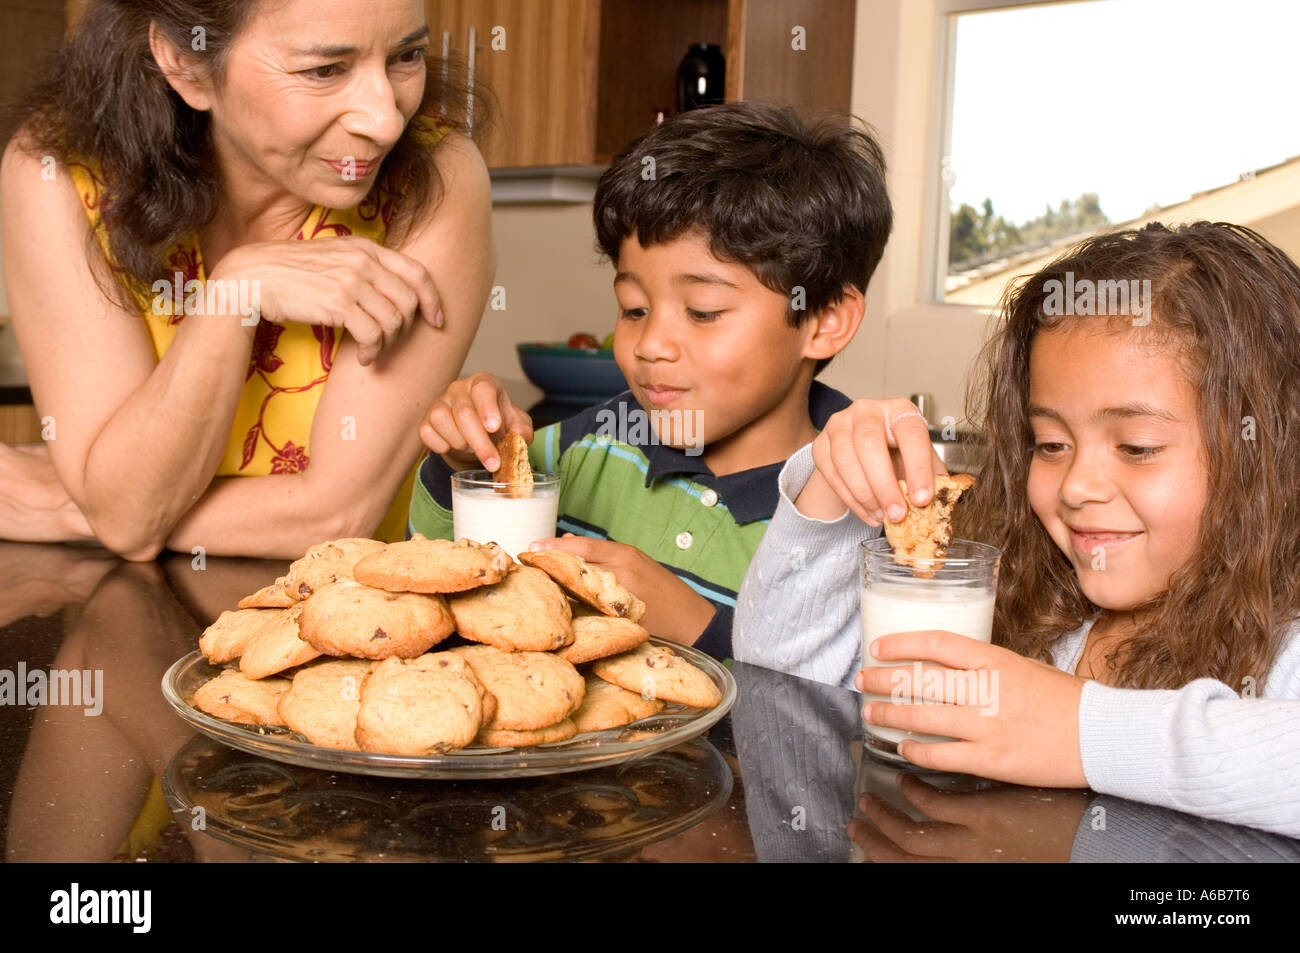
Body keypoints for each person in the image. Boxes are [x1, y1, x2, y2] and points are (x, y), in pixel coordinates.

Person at [733, 221, 1300, 838]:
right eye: (1051, 443)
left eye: (1137, 447)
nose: (1076, 485)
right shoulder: (1026, 618)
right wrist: (829, 490)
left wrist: (1078, 730)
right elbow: (781, 686)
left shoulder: (1282, 652)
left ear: (1269, 450)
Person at [0, 0, 494, 560]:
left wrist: (74, 508)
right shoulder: (60, 172)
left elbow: (333, 517)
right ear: (186, 65)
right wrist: (235, 294)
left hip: (359, 619)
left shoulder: (436, 175)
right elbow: (126, 509)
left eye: (406, 56)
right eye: (324, 70)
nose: (385, 119)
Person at [411, 102, 893, 656]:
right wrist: (468, 463)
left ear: (824, 320)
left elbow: (837, 723)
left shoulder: (857, 522)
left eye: (704, 311)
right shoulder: (584, 449)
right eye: (634, 309)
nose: (650, 345)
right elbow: (434, 579)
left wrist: (698, 627)